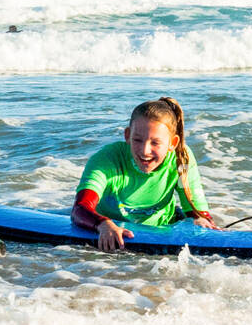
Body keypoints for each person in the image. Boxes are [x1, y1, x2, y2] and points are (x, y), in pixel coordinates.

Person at [71, 97, 216, 251]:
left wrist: (200, 221)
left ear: (172, 143)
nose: (145, 151)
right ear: (127, 135)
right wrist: (102, 224)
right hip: (111, 227)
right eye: (137, 140)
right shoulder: (108, 159)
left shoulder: (181, 158)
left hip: (163, 230)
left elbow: (196, 211)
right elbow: (80, 208)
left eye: (155, 143)